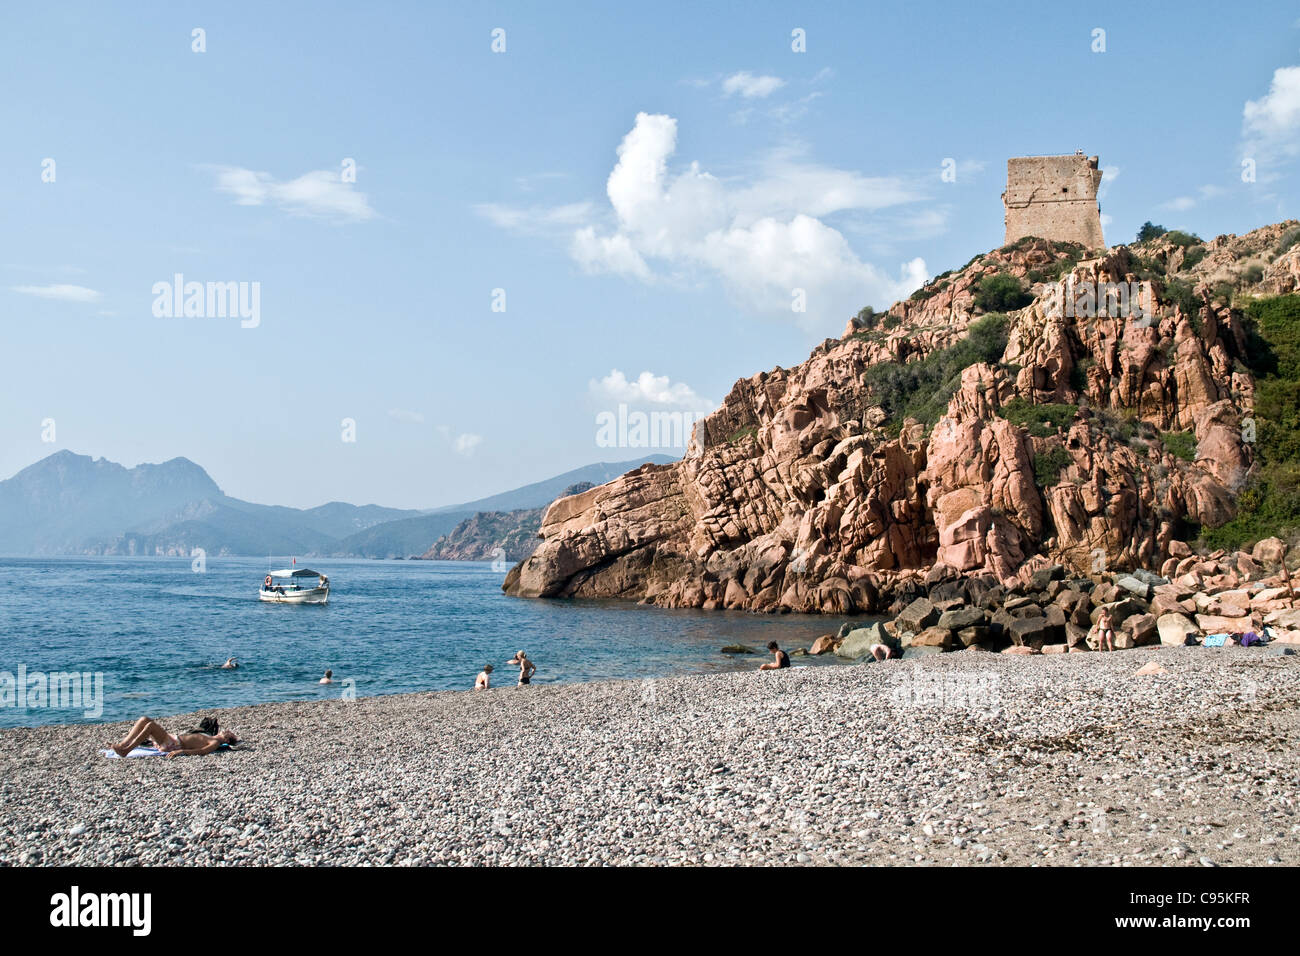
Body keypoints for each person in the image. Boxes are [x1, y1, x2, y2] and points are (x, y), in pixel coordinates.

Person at [109, 717, 238, 758]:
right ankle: (122, 745)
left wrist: (180, 752)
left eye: (229, 734)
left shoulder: (215, 742)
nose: (227, 731)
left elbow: (202, 751)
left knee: (150, 725)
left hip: (173, 744)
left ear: (227, 740)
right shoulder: (210, 735)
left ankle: (127, 750)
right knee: (144, 719)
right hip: (171, 740)